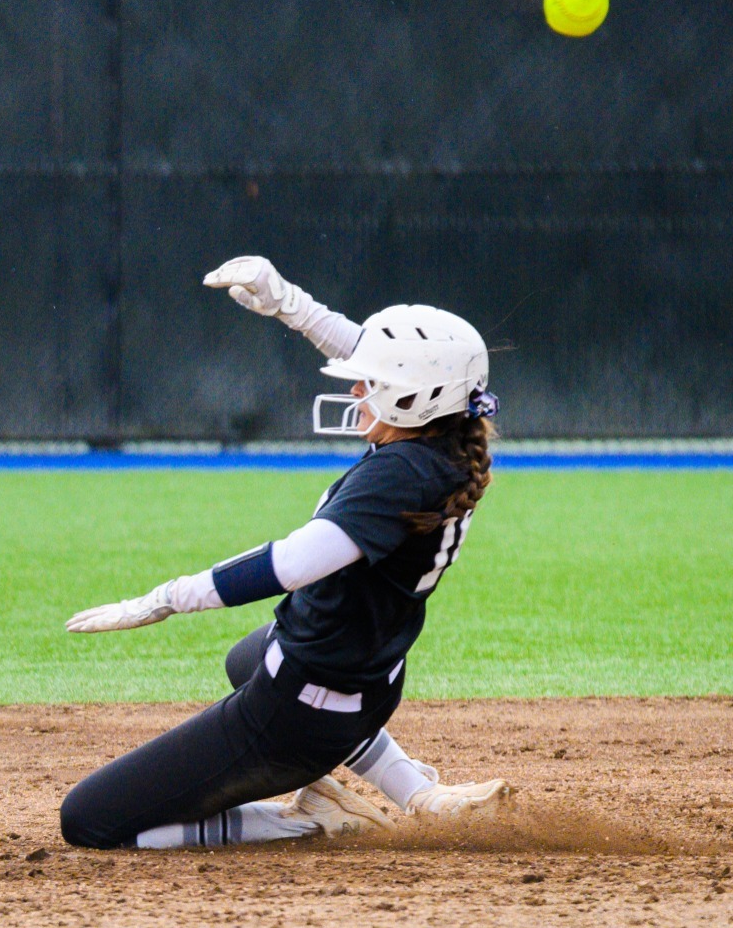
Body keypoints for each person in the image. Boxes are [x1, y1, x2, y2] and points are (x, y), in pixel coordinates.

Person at [59, 257, 511, 850]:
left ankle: (303, 822)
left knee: (87, 821)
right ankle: (411, 789)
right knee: (245, 657)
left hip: (300, 714)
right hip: (364, 684)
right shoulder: (446, 440)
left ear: (414, 398)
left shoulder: (401, 474)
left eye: (371, 383)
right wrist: (288, 302)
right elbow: (366, 347)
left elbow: (292, 565)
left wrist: (166, 598)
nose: (356, 389)